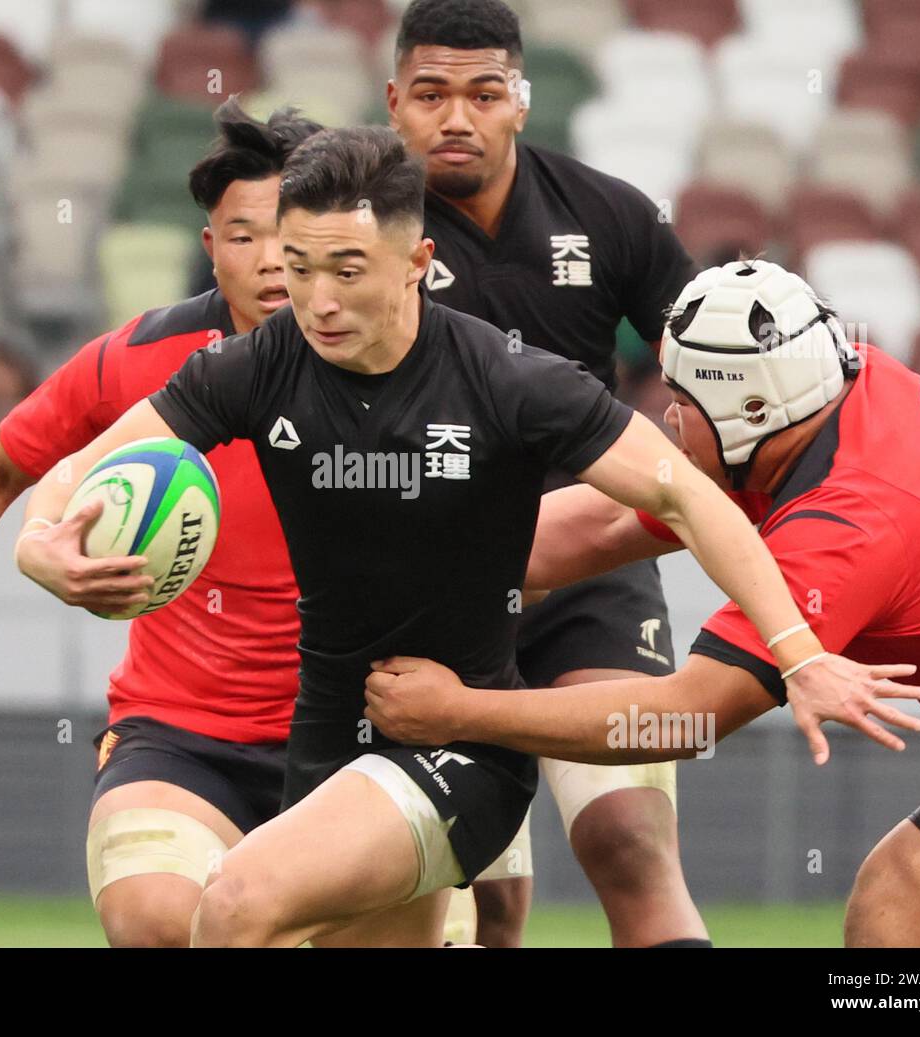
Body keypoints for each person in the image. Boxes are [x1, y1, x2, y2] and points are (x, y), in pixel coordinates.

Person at [18, 129, 905, 948]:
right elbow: (83, 465)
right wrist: (42, 544)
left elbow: (686, 493)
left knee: (236, 904)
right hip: (327, 739)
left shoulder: (507, 380)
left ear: (418, 261)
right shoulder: (260, 364)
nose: (316, 299)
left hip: (459, 748)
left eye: (348, 269)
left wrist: (797, 653)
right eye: (298, 267)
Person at [363, 259, 920, 948]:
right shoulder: (815, 397)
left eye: (682, 396)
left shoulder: (843, 528)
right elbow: (607, 522)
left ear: (755, 409)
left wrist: (458, 710)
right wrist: (380, 572)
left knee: (898, 911)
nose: (666, 416)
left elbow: (683, 716)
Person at [0, 100, 322, 948]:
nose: (268, 261)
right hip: (182, 737)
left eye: (287, 233)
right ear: (209, 248)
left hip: (363, 731)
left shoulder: (400, 365)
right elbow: (2, 463)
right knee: (157, 919)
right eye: (241, 235)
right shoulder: (141, 359)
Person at [386, 0, 702, 946]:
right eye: (432, 93)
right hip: (423, 590)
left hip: (591, 574)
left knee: (630, 842)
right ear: (394, 101)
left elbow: (714, 371)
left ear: (521, 101)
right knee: (454, 893)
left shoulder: (611, 214)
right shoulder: (357, 228)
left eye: (485, 93)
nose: (457, 118)